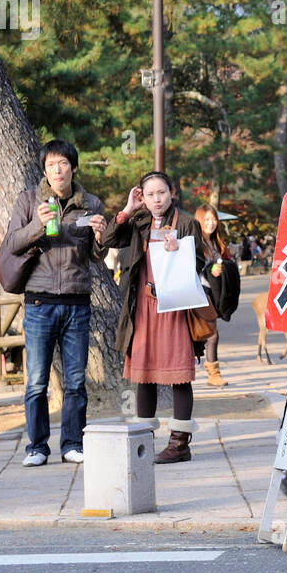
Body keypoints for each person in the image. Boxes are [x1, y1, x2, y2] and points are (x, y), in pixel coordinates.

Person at [3, 139, 105, 466]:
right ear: (44, 170)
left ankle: (73, 443)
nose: (57, 170)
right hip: (38, 302)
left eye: (63, 163)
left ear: (73, 167)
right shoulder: (29, 200)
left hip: (77, 301)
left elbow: (97, 256)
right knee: (36, 381)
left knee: (75, 380)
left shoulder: (91, 203)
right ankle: (37, 446)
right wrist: (37, 225)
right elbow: (13, 243)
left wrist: (102, 238)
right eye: (50, 165)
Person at [102, 172, 207, 463]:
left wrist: (181, 251)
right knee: (144, 374)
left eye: (161, 193)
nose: (156, 199)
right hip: (143, 306)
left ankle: (179, 444)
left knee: (179, 374)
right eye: (150, 194)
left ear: (171, 192)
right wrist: (127, 209)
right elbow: (109, 239)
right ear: (142, 197)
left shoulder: (186, 222)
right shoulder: (138, 220)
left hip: (174, 307)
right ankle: (144, 440)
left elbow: (202, 261)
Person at [193, 204, 234, 388]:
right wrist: (210, 269)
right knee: (211, 334)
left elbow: (227, 264)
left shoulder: (217, 243)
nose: (211, 223)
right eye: (207, 219)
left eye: (214, 219)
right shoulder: (195, 243)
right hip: (198, 293)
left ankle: (212, 373)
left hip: (213, 293)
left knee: (208, 334)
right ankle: (213, 374)